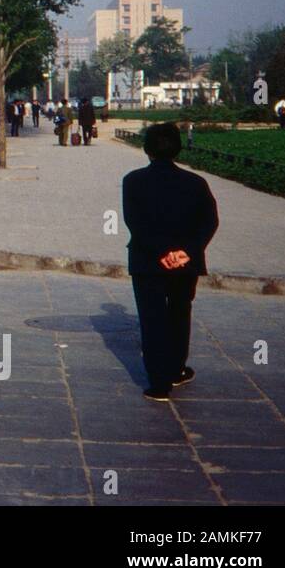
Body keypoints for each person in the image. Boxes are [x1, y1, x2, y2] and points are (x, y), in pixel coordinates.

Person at [122, 122, 219, 401]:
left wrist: (161, 253)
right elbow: (210, 221)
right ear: (177, 148)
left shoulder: (133, 181)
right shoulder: (196, 183)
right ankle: (177, 369)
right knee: (179, 311)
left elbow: (135, 223)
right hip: (186, 263)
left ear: (146, 149)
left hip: (147, 261)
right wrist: (186, 251)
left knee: (152, 318)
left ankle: (159, 383)